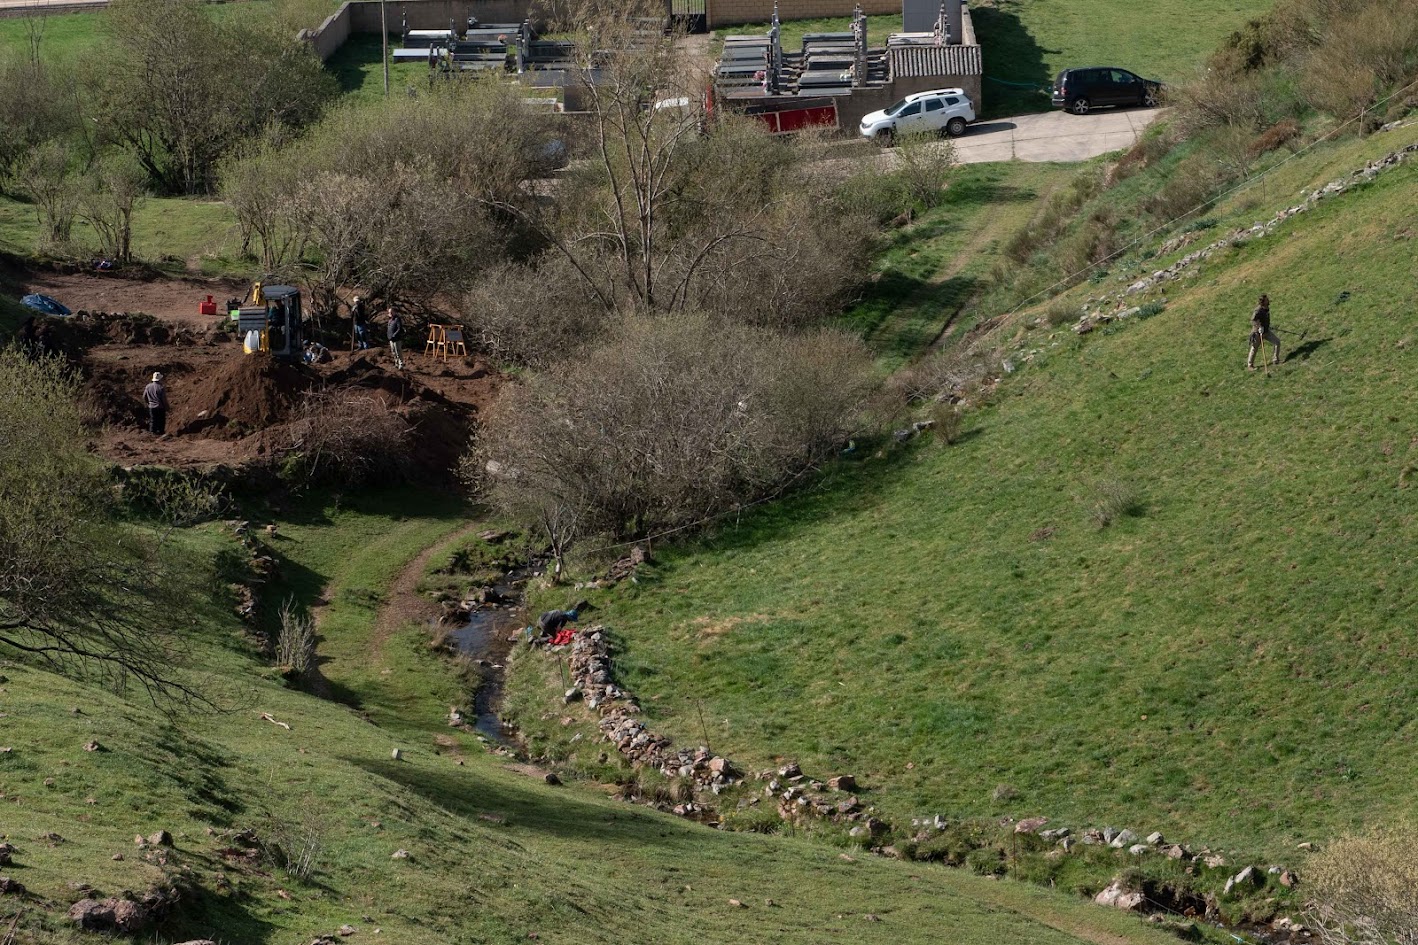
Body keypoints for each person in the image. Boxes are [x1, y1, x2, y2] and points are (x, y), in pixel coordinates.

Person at [1247, 293, 1280, 370]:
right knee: (1254, 348)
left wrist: (1267, 326)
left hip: (1266, 331)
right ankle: (1250, 365)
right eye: (1266, 300)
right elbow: (1253, 320)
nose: (1268, 300)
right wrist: (1259, 327)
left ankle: (1275, 359)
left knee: (1277, 342)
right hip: (1257, 333)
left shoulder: (1267, 308)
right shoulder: (1258, 310)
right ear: (1263, 301)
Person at [143, 371, 169, 436]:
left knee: (153, 420)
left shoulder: (148, 386)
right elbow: (164, 399)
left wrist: (148, 403)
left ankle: (152, 434)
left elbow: (144, 396)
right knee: (161, 421)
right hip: (160, 407)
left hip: (151, 407)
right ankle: (160, 433)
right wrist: (167, 407)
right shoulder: (161, 387)